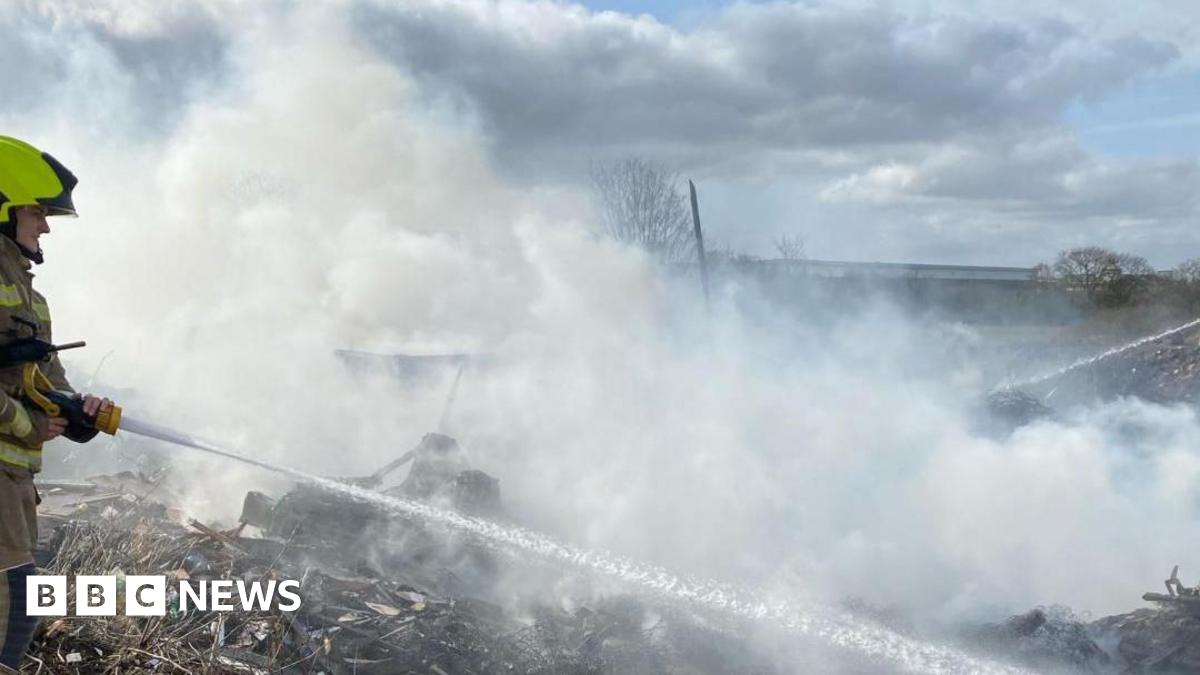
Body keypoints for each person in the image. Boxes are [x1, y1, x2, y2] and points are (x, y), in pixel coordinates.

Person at [0, 136, 109, 672]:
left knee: (19, 609)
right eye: (37, 212)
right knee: (12, 609)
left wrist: (76, 412)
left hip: (14, 487)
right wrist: (25, 420)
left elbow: (46, 381)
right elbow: (22, 409)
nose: (44, 226)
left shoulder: (30, 297)